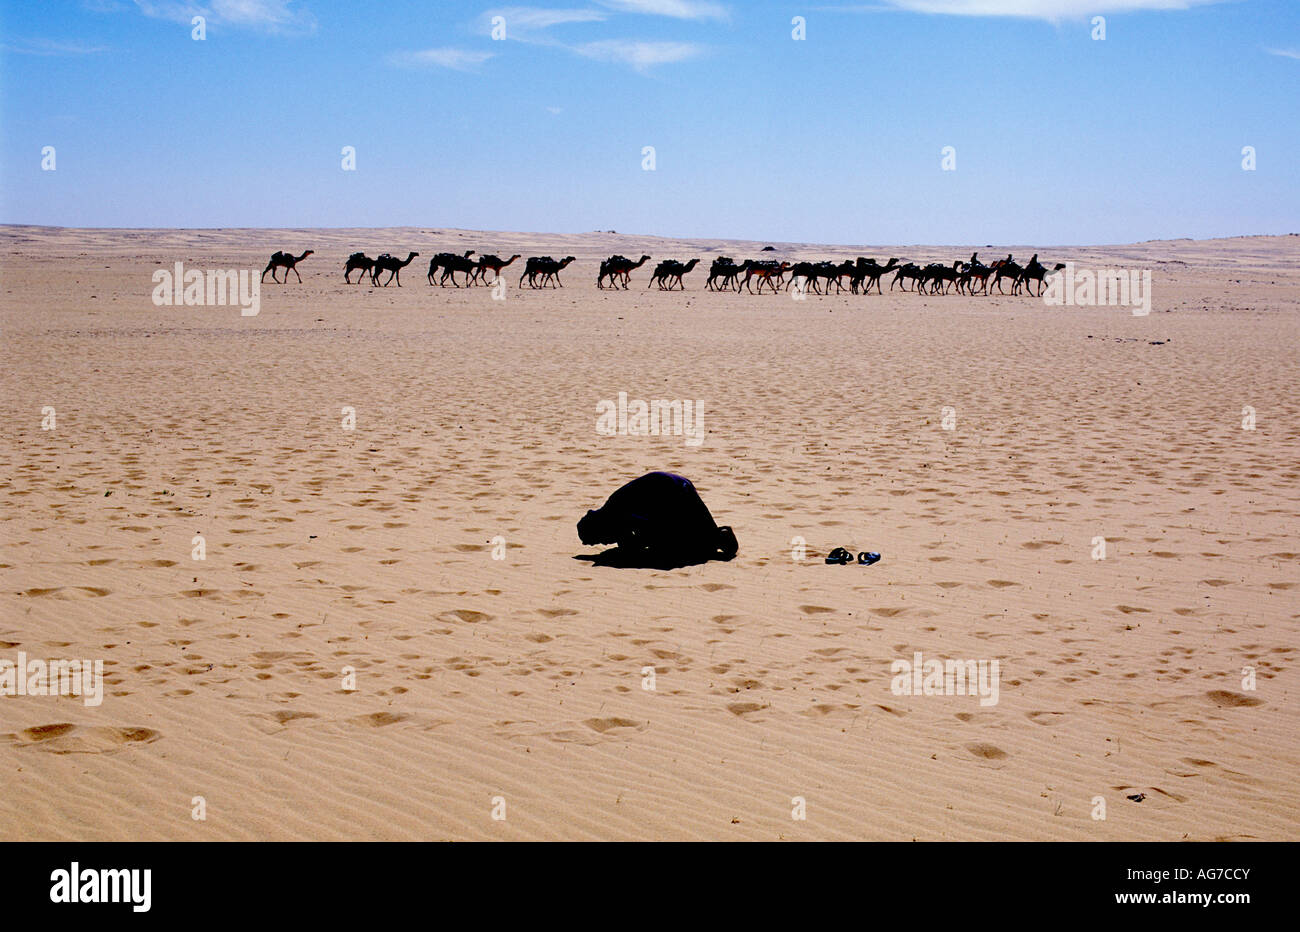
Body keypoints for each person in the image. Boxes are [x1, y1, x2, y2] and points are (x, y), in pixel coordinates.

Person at [578, 472, 738, 564]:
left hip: (670, 490)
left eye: (599, 540)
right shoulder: (612, 509)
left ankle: (719, 538)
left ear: (599, 529)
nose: (605, 543)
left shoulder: (616, 513)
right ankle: (718, 537)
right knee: (700, 535)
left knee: (692, 545)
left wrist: (631, 547)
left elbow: (642, 537)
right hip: (677, 484)